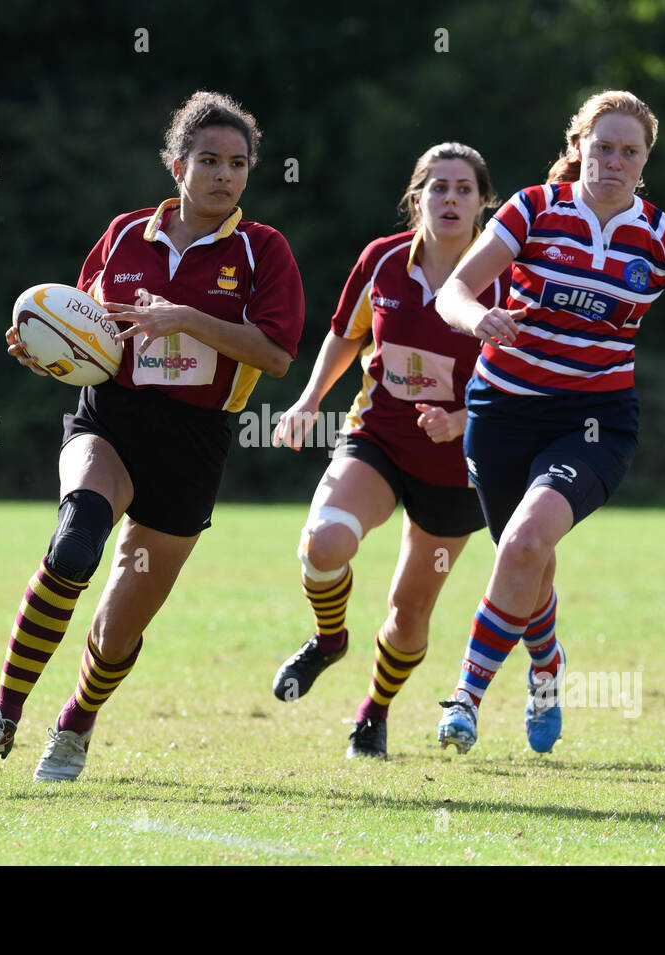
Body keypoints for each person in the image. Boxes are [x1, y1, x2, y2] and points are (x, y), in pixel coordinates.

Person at [0, 91, 304, 781]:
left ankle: (76, 725)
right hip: (110, 419)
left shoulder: (264, 251)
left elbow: (277, 355)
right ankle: (2, 715)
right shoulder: (123, 235)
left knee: (116, 630)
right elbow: (88, 335)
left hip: (194, 444)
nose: (224, 174)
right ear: (177, 165)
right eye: (208, 160)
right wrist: (44, 348)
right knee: (74, 542)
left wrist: (186, 317)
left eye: (238, 163)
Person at [432, 90, 665, 755]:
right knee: (524, 558)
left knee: (527, 540)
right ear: (579, 146)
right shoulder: (533, 209)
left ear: (646, 161)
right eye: (603, 146)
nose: (614, 161)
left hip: (594, 422)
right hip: (502, 410)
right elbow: (455, 289)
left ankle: (466, 699)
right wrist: (481, 320)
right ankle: (548, 666)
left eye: (630, 151)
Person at [269, 143, 510, 758]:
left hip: (458, 470)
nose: (450, 199)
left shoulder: (509, 276)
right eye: (437, 187)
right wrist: (308, 399)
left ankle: (373, 712)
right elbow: (344, 335)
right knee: (324, 542)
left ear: (484, 202)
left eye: (463, 189)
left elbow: (527, 378)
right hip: (377, 440)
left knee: (408, 613)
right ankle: (328, 641)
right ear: (416, 197)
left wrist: (463, 419)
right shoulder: (381, 261)